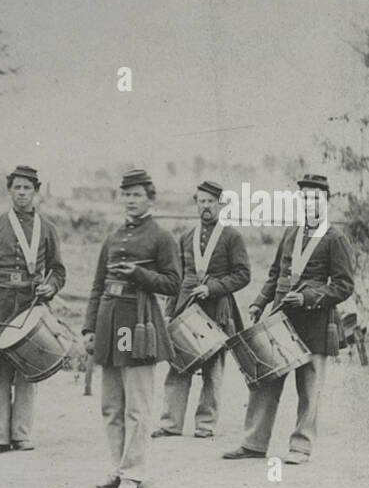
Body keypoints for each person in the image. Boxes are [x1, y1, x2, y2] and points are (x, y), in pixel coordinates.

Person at [223, 173, 354, 465]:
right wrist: (259, 302)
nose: (309, 203)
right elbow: (275, 274)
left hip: (315, 324)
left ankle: (301, 448)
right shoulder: (292, 232)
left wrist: (308, 298)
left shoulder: (335, 238)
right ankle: (254, 444)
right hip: (280, 319)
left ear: (326, 201)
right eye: (304, 198)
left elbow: (344, 285)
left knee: (309, 389)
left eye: (315, 198)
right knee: (265, 380)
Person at [82, 168, 181, 488]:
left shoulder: (161, 237)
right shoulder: (113, 238)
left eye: (137, 195)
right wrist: (89, 327)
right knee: (111, 404)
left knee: (137, 405)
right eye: (126, 194)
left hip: (140, 322)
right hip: (110, 323)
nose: (131, 200)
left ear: (150, 198)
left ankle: (134, 471)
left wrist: (139, 274)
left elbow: (172, 283)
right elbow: (97, 286)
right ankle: (116, 466)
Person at [0, 166, 66, 454]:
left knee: (27, 373)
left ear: (35, 192)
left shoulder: (47, 228)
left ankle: (22, 434)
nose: (22, 193)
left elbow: (58, 271)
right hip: (0, 307)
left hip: (31, 308)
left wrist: (51, 287)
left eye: (27, 188)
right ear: (9, 191)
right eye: (17, 188)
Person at [152, 180, 250, 440]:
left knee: (213, 370)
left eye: (210, 202)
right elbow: (177, 278)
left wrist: (214, 288)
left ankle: (205, 425)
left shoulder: (232, 237)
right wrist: (170, 312)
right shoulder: (186, 237)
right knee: (178, 365)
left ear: (220, 204)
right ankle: (170, 423)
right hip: (186, 309)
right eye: (201, 201)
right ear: (196, 203)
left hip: (217, 310)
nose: (205, 207)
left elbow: (243, 275)